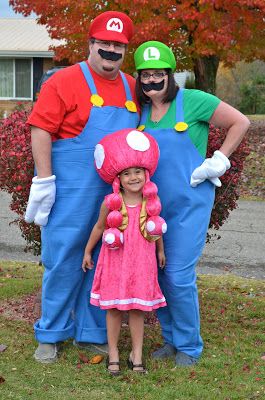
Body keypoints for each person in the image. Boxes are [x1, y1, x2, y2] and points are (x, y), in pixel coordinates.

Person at [24, 11, 139, 363]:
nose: (110, 50)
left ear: (125, 49)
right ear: (90, 44)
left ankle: (91, 333)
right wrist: (45, 181)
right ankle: (52, 332)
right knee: (63, 259)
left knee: (107, 257)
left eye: (117, 45)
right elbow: (41, 129)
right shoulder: (64, 81)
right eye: (103, 42)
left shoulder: (133, 87)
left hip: (115, 192)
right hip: (72, 188)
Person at [134, 41, 250, 366]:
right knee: (158, 273)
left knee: (177, 275)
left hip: (189, 206)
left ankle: (189, 345)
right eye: (146, 75)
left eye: (159, 74)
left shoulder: (194, 101)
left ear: (170, 75)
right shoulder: (139, 112)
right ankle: (171, 340)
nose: (152, 81)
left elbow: (241, 122)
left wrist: (219, 159)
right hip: (152, 206)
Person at [82, 128, 167, 374]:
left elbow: (156, 229)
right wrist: (88, 251)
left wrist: (160, 251)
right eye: (127, 173)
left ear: (146, 174)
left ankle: (137, 354)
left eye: (137, 172)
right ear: (118, 178)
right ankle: (114, 353)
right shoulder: (111, 203)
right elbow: (99, 227)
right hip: (115, 263)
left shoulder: (150, 202)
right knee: (115, 309)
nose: (133, 177)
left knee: (137, 310)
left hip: (142, 263)